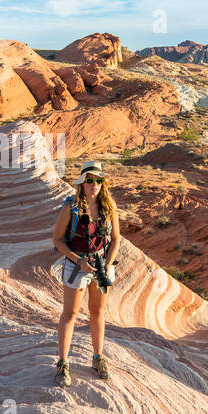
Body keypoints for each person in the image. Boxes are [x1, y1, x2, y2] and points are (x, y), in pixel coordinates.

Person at [50, 159, 120, 387]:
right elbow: (58, 240)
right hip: (76, 265)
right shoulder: (71, 207)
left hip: (100, 265)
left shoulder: (108, 206)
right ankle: (63, 362)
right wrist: (79, 261)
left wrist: (107, 266)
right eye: (90, 180)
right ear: (82, 182)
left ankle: (98, 358)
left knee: (97, 312)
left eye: (98, 180)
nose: (94, 185)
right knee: (70, 314)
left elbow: (116, 239)